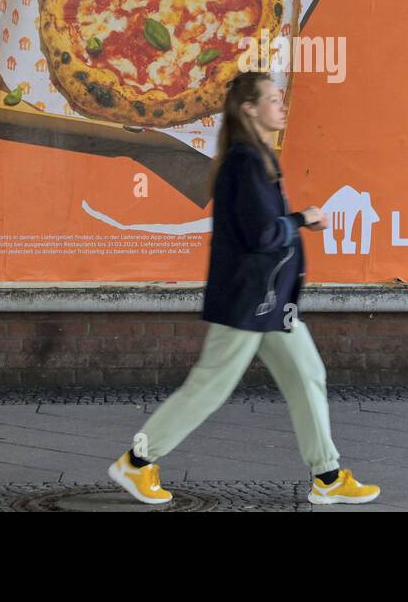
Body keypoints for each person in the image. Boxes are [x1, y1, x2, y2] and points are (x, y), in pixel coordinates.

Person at [108, 69, 381, 506]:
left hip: (270, 301)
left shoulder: (254, 158)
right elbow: (262, 235)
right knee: (210, 386)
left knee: (308, 375)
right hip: (249, 299)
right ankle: (137, 463)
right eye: (273, 99)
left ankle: (327, 475)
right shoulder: (246, 162)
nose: (282, 105)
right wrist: (303, 219)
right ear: (249, 108)